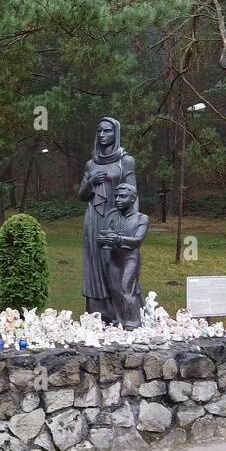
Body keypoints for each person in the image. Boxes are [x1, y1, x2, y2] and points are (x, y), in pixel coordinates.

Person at [78, 116, 136, 321]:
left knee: (114, 264)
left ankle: (122, 313)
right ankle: (97, 312)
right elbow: (82, 195)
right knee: (94, 263)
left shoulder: (125, 161)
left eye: (107, 131)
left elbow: (133, 193)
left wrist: (132, 223)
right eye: (99, 131)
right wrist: (91, 182)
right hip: (93, 218)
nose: (102, 135)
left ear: (116, 133)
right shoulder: (91, 163)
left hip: (116, 218)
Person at [97, 182, 149, 329]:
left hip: (130, 258)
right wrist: (102, 241)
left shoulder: (141, 218)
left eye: (123, 196)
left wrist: (118, 239)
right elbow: (107, 237)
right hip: (115, 257)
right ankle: (120, 320)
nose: (118, 199)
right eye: (117, 196)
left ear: (133, 198)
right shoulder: (114, 218)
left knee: (127, 289)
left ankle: (133, 322)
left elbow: (138, 241)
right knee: (114, 289)